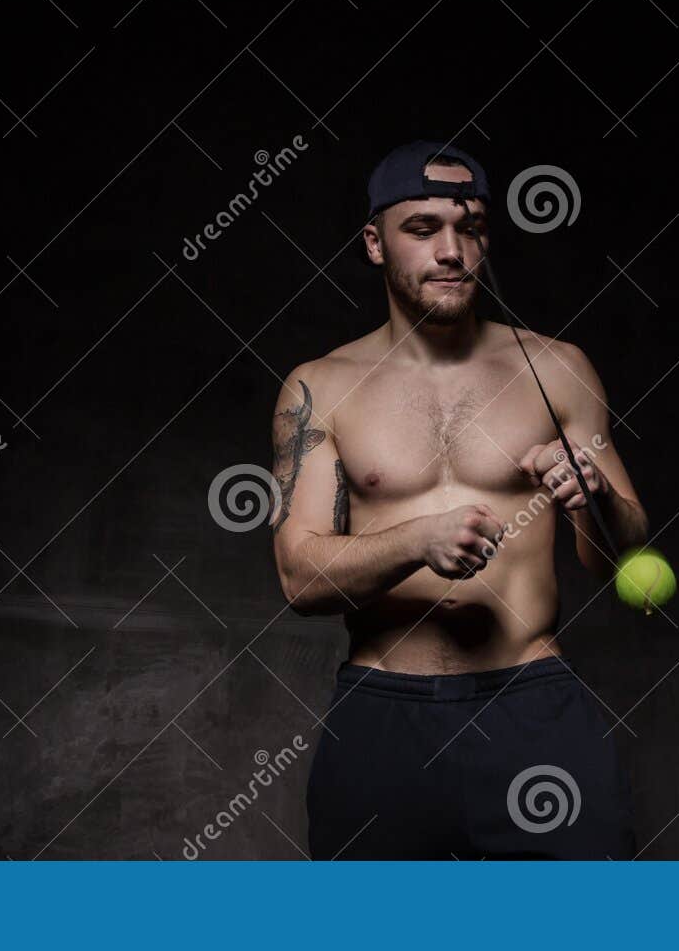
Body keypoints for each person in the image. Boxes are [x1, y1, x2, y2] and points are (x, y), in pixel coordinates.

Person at [269, 140, 650, 858]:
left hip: (532, 708)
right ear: (375, 243)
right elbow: (298, 575)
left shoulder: (559, 368)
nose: (453, 251)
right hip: (384, 718)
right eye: (423, 229)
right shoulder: (321, 385)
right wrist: (418, 539)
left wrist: (589, 495)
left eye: (470, 227)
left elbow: (621, 558)